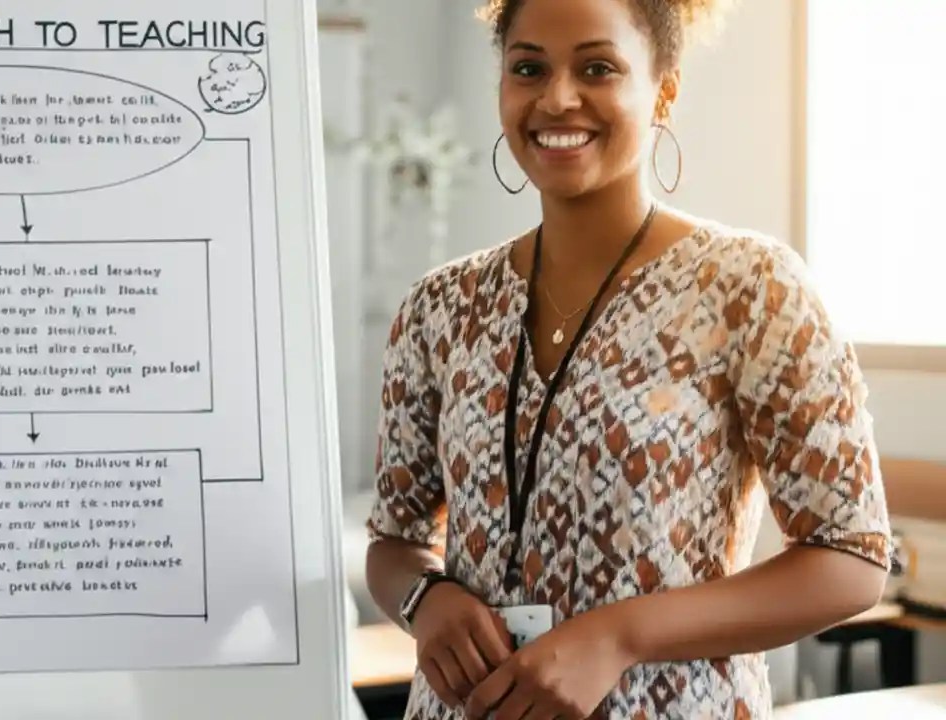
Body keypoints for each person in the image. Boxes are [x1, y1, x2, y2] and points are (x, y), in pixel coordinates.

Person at [362, 0, 894, 718]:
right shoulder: (440, 306)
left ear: (664, 89)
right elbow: (394, 542)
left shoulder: (751, 286)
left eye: (597, 68)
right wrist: (428, 599)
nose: (556, 97)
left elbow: (851, 558)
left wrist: (617, 637)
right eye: (528, 68)